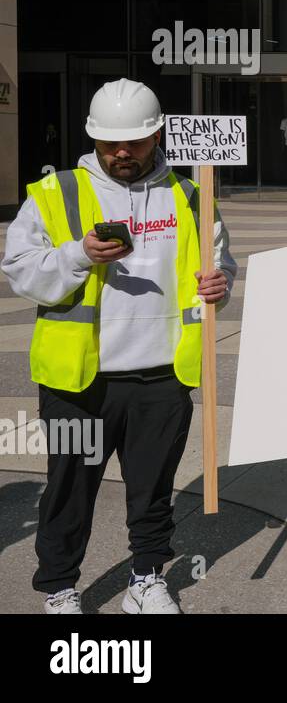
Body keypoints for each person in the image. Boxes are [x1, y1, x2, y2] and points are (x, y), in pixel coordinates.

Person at [1, 79, 236, 614]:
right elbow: (20, 274)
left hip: (161, 377)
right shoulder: (54, 191)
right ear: (93, 138)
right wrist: (79, 254)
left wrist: (219, 279)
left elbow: (219, 260)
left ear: (157, 134)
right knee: (68, 491)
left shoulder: (192, 194)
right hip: (77, 382)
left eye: (134, 141)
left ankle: (146, 579)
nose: (122, 153)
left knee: (151, 490)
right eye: (110, 143)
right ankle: (59, 588)